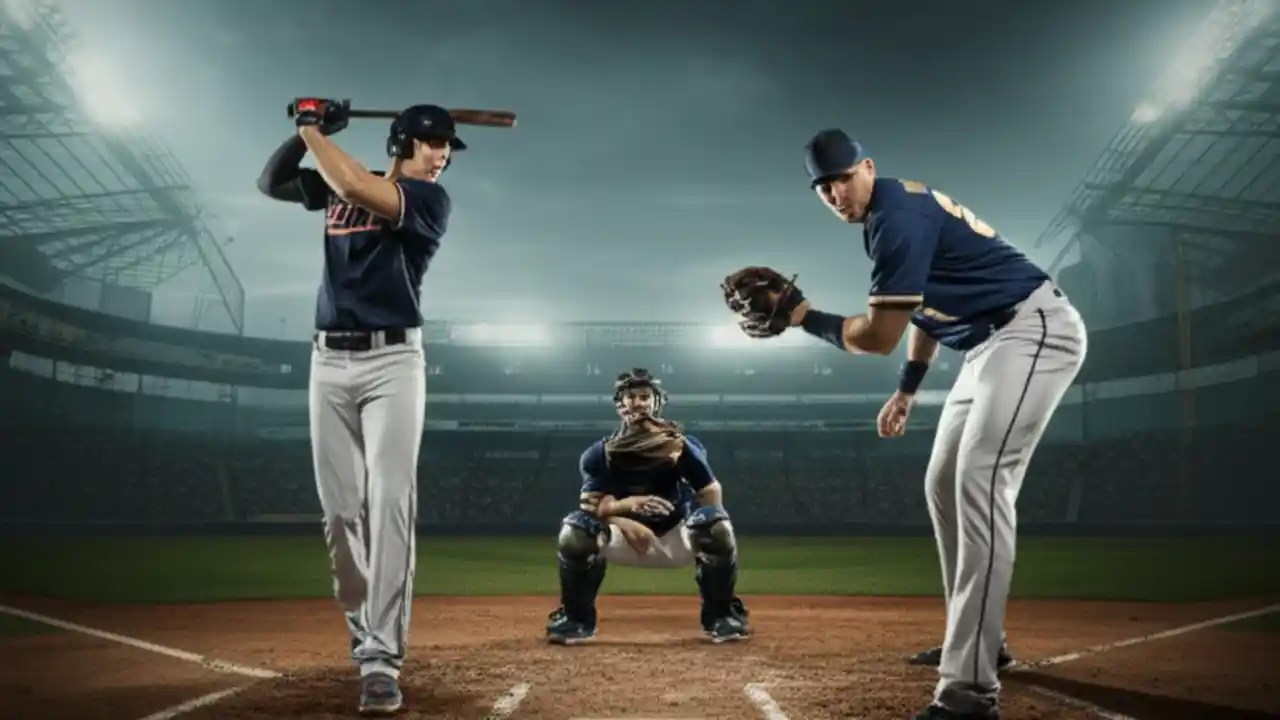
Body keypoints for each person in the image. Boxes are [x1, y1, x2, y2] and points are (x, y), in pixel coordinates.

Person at [719, 129, 1086, 720]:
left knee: (981, 486)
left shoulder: (897, 218)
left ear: (867, 167)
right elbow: (922, 311)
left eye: (843, 177)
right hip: (987, 346)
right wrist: (908, 391)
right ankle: (979, 640)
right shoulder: (887, 217)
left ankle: (968, 691)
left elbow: (879, 336)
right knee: (942, 483)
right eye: (823, 186)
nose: (836, 192)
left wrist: (803, 317)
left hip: (1033, 331)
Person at [255, 99, 463, 716]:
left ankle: (380, 657)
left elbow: (349, 179)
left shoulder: (429, 201)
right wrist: (305, 137)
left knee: (390, 502)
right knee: (341, 512)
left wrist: (311, 125)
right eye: (432, 144)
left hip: (393, 364)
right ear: (403, 141)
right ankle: (361, 622)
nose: (442, 155)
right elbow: (271, 183)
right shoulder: (345, 185)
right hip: (327, 362)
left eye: (448, 146)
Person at [546, 368, 750, 645]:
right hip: (623, 539)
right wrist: (626, 513)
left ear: (657, 402)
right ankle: (576, 618)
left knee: (716, 525)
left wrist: (708, 528)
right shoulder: (599, 453)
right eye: (630, 397)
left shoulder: (682, 446)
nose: (638, 402)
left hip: (676, 536)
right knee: (574, 531)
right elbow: (592, 504)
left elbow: (710, 491)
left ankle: (721, 613)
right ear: (620, 405)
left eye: (644, 396)